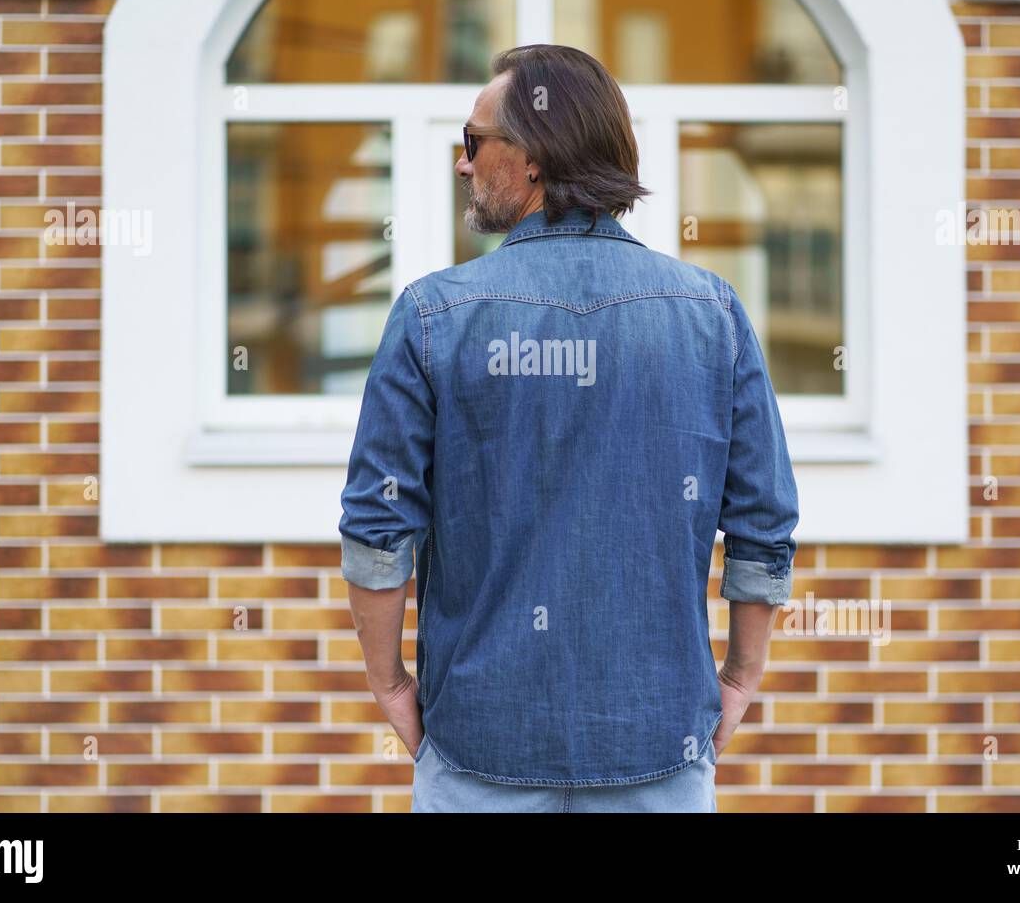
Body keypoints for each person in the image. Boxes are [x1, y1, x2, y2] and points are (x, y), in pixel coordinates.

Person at [339, 44, 798, 812]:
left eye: (473, 140)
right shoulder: (710, 314)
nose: (462, 163)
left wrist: (388, 683)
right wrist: (741, 677)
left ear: (535, 160)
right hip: (658, 750)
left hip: (479, 752)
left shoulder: (431, 315)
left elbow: (378, 527)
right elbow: (763, 521)